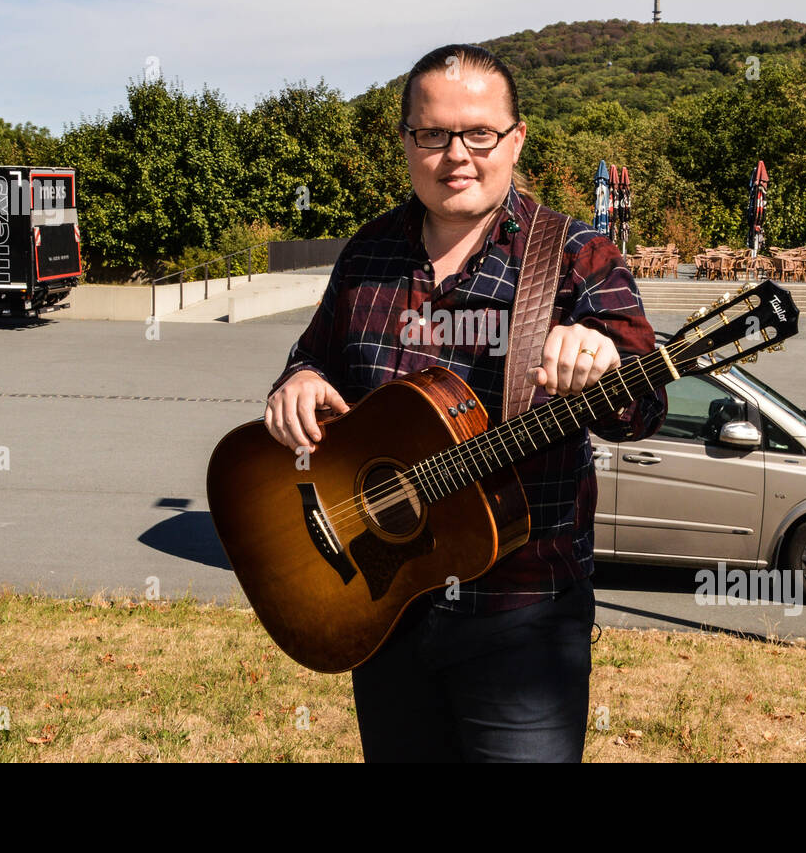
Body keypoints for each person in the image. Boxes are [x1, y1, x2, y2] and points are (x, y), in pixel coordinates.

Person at [263, 43, 667, 762]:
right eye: (433, 134)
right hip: (384, 599)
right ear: (406, 141)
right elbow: (316, 357)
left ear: (515, 140)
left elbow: (645, 405)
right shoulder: (367, 255)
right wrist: (296, 382)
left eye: (479, 133)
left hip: (524, 618)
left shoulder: (579, 258)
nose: (457, 155)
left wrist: (607, 366)